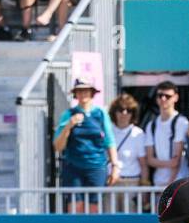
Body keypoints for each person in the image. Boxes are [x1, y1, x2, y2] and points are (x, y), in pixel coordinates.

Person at [53, 77, 118, 214]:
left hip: (97, 167)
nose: (83, 94)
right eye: (79, 91)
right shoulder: (68, 114)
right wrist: (69, 126)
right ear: (75, 94)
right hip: (73, 168)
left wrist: (115, 166)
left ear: (92, 93)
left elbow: (110, 141)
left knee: (94, 207)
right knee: (75, 207)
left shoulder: (100, 114)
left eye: (86, 91)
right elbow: (58, 146)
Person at [144, 81, 189, 190]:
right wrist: (170, 163)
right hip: (158, 183)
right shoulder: (151, 125)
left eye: (167, 96)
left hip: (179, 183)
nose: (163, 99)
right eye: (160, 95)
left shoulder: (181, 122)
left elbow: (176, 161)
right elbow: (149, 160)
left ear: (176, 98)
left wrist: (169, 187)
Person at [108, 93, 149, 190]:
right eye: (120, 110)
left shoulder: (138, 133)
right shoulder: (108, 131)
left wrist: (144, 186)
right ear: (114, 112)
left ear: (133, 113)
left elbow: (143, 164)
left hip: (132, 182)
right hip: (110, 181)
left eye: (129, 110)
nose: (124, 113)